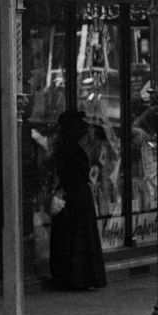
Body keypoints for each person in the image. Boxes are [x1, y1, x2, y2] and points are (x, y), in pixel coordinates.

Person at [48, 109, 107, 291]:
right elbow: (80, 172)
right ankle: (81, 277)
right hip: (78, 196)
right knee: (80, 237)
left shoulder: (62, 147)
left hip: (71, 196)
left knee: (70, 238)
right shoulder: (74, 149)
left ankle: (71, 277)